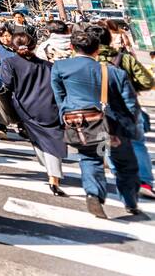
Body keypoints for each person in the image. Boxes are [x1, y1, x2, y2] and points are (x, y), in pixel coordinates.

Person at [52, 26, 144, 219]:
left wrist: (68, 115)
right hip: (113, 123)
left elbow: (60, 97)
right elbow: (130, 103)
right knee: (124, 164)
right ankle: (130, 201)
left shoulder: (60, 68)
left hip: (81, 123)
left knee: (90, 159)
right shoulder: (114, 72)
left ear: (72, 47)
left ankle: (93, 194)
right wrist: (132, 124)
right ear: (98, 49)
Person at [0, 32, 67, 196]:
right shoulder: (48, 66)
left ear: (13, 47)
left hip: (25, 109)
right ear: (34, 45)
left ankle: (51, 174)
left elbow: (6, 85)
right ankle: (53, 178)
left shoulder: (9, 63)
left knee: (39, 141)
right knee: (53, 143)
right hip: (50, 107)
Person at [97, 22, 154, 199]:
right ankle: (145, 182)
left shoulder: (86, 62)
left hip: (102, 110)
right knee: (137, 144)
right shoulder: (124, 58)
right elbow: (147, 81)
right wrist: (132, 86)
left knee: (110, 145)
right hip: (128, 106)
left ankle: (124, 180)